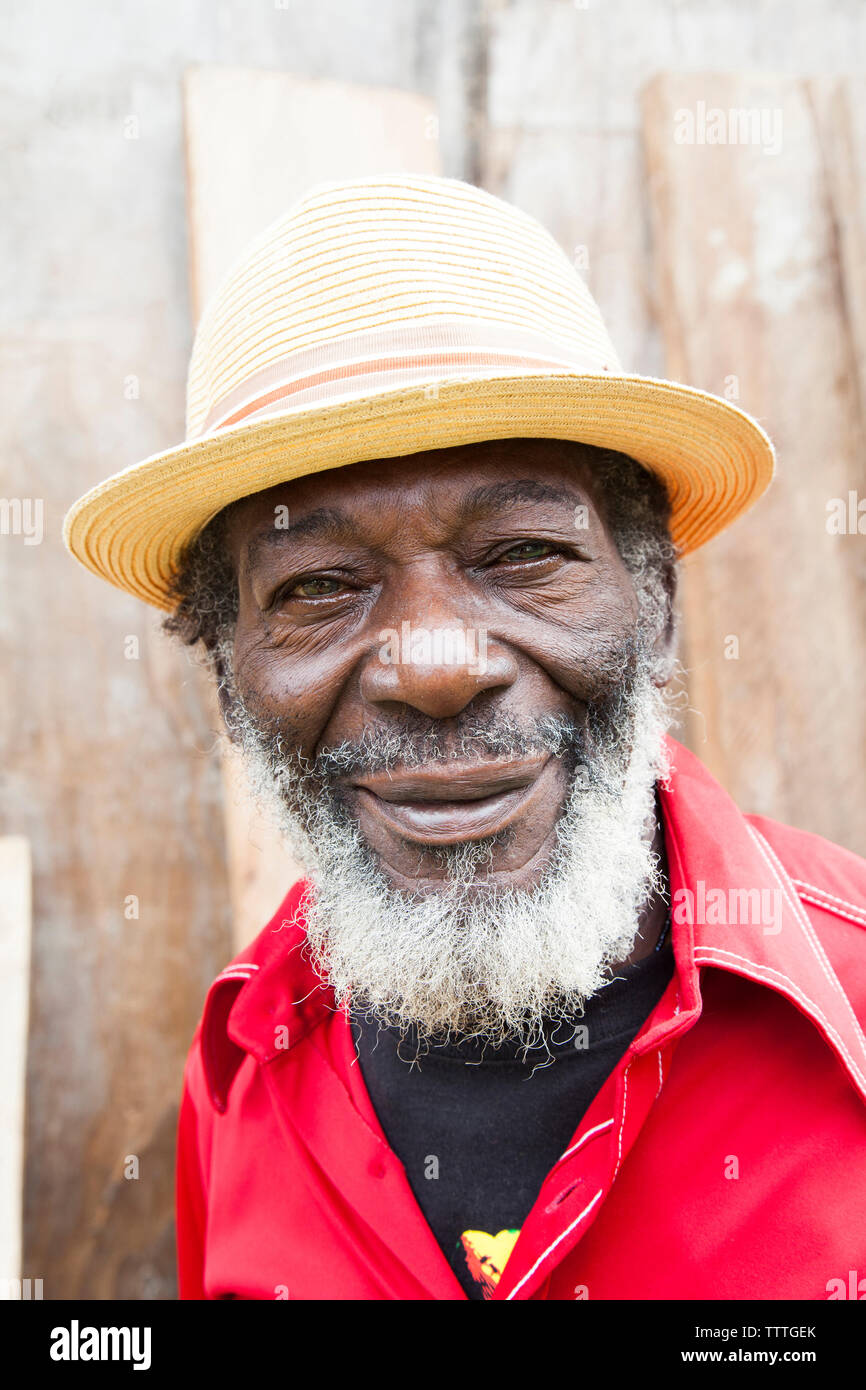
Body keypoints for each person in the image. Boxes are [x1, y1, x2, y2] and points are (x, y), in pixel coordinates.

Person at [64, 174, 866, 1301]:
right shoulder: (238, 1067)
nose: (435, 670)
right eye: (321, 585)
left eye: (523, 554)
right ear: (228, 676)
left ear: (654, 604)